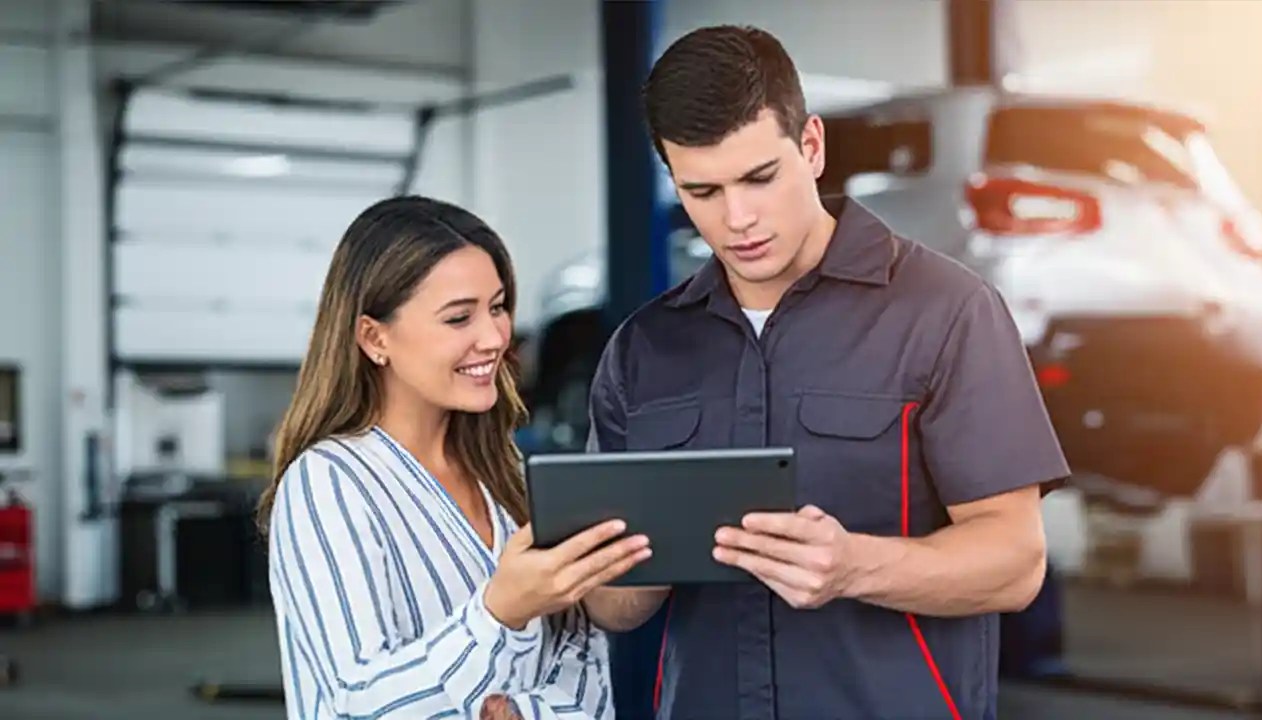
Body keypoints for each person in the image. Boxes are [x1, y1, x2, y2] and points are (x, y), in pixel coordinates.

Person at [580, 25, 1071, 720]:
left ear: (811, 146)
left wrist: (853, 567)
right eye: (704, 191)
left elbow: (1015, 561)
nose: (738, 219)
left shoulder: (947, 313)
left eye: (759, 177)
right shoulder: (643, 350)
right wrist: (615, 562)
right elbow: (611, 605)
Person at [259, 196, 651, 720]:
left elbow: (585, 666)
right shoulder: (327, 483)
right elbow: (359, 702)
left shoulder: (508, 474)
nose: (493, 338)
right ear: (374, 338)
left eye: (497, 307)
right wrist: (501, 613)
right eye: (459, 317)